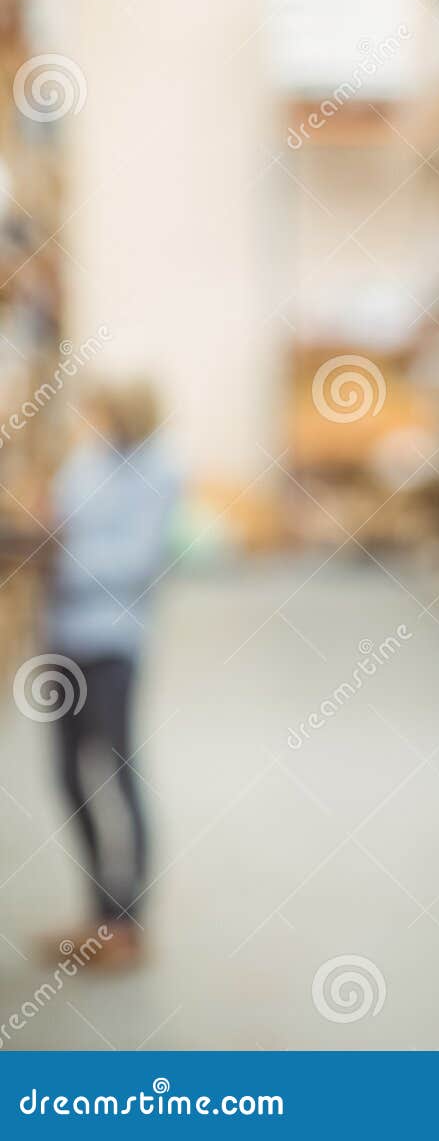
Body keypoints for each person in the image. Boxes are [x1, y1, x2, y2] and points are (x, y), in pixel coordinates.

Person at [40, 377, 181, 969]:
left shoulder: (162, 470)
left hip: (114, 643)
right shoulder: (86, 458)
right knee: (68, 776)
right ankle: (97, 915)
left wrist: (60, 555)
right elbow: (58, 516)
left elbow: (138, 559)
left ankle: (131, 923)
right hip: (63, 638)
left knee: (117, 775)